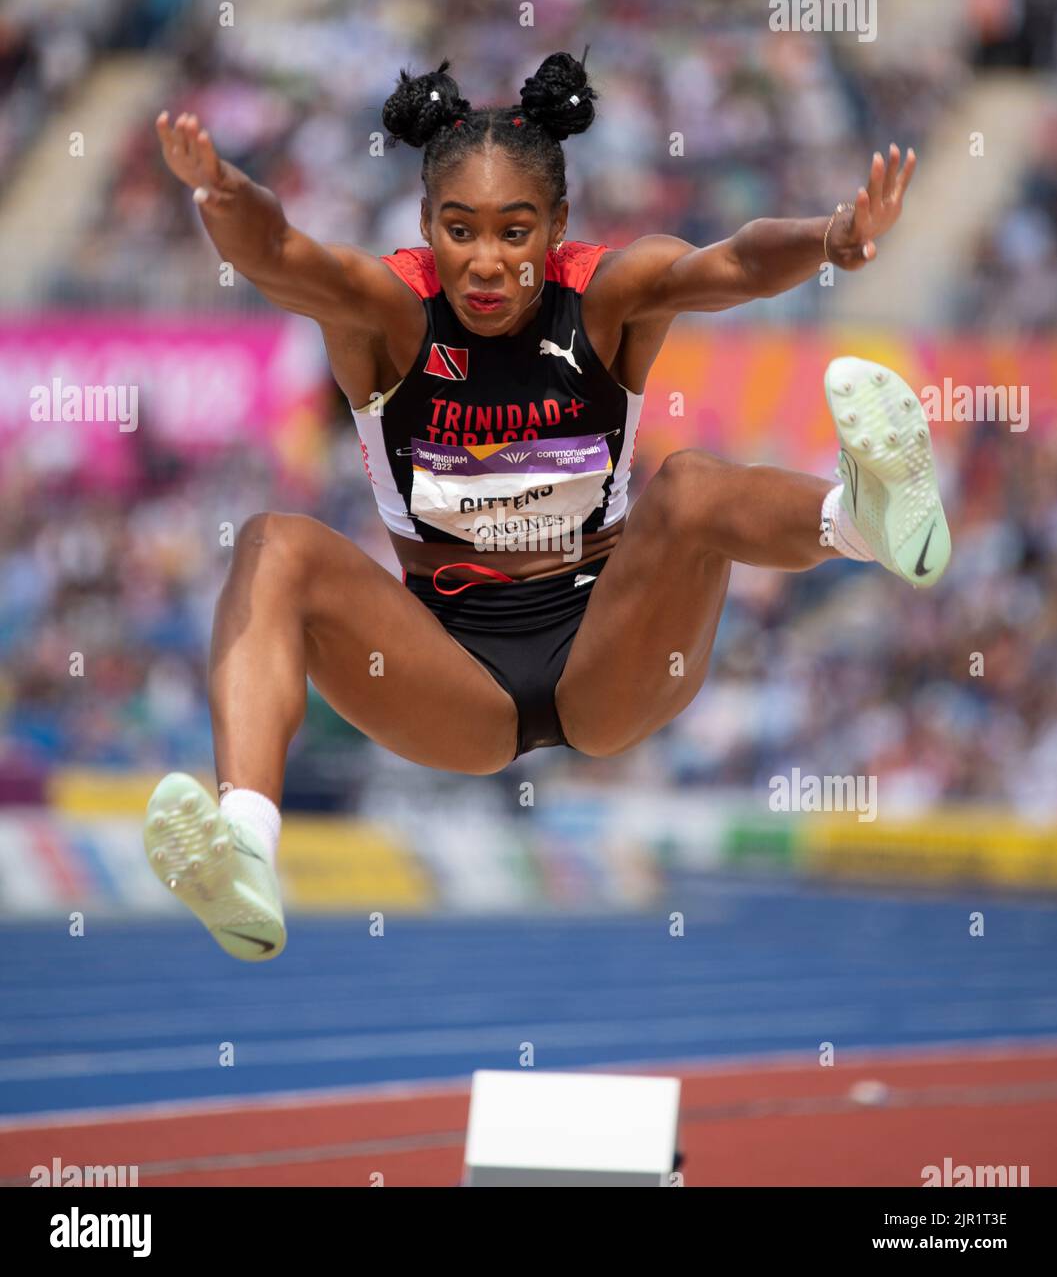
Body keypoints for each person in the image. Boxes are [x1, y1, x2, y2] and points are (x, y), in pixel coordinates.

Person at [145, 49, 948, 961]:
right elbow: (277, 253)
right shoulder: (383, 311)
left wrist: (831, 237)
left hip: (608, 658)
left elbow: (735, 263)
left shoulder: (611, 294)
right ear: (424, 226)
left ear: (557, 226)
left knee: (687, 486)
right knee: (271, 543)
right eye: (459, 232)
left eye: (515, 234)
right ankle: (246, 845)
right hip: (449, 679)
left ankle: (864, 519)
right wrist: (218, 189)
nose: (486, 265)